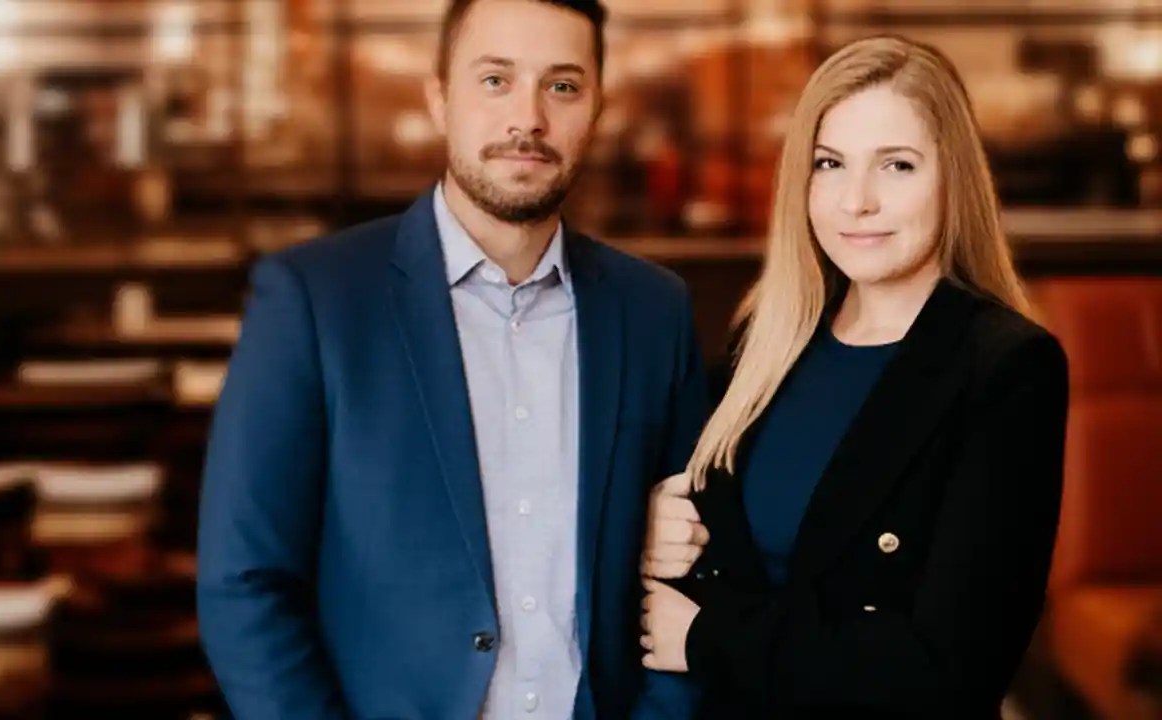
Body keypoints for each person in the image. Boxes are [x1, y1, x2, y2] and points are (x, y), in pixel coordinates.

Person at [196, 0, 709, 717]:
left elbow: (695, 569)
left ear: (597, 108)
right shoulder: (314, 300)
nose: (528, 118)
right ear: (439, 100)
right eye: (495, 80)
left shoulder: (654, 311)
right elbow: (244, 581)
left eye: (562, 86)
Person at [638, 35, 1070, 718]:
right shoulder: (768, 338)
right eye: (830, 164)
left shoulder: (1008, 367)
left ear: (953, 177)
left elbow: (949, 673)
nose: (856, 201)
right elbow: (716, 551)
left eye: (896, 165)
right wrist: (656, 521)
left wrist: (707, 637)